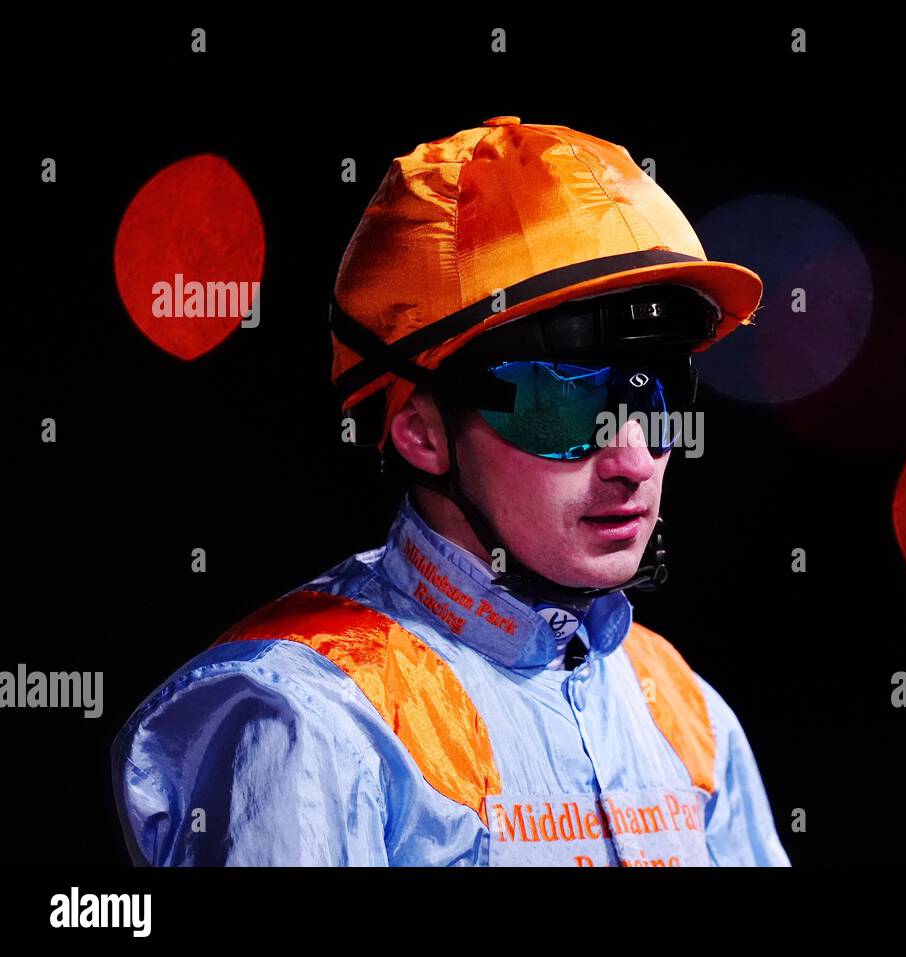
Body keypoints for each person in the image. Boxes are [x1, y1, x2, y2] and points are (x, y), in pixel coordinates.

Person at [110, 116, 790, 867]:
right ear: (421, 432)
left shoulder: (685, 708)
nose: (632, 457)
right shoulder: (306, 714)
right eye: (562, 405)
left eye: (654, 396)